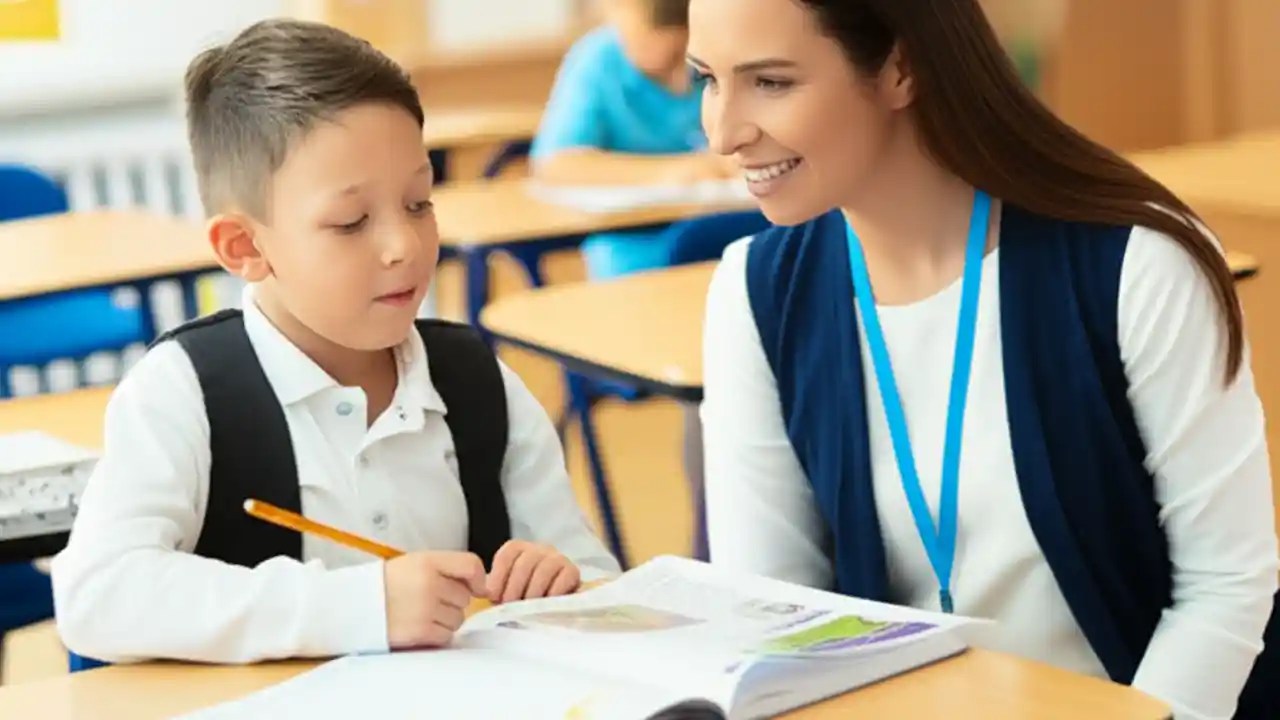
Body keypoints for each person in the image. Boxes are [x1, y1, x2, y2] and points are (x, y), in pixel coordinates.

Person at [689, 1, 1278, 718]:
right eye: (707, 79)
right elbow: (770, 611)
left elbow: (1226, 585)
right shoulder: (754, 292)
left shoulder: (1137, 264)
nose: (723, 132)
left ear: (902, 67)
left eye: (771, 82)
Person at [51, 18, 619, 665]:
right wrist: (359, 607)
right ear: (246, 247)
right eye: (351, 222)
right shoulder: (183, 390)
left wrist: (558, 580)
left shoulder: (478, 381)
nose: (403, 246)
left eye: (418, 203)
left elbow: (590, 575)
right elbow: (97, 595)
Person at [531, 0, 734, 279]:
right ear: (623, 16)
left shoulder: (715, 52)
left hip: (728, 237)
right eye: (670, 54)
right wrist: (676, 170)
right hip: (638, 254)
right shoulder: (597, 61)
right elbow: (555, 164)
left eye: (683, 51)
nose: (679, 71)